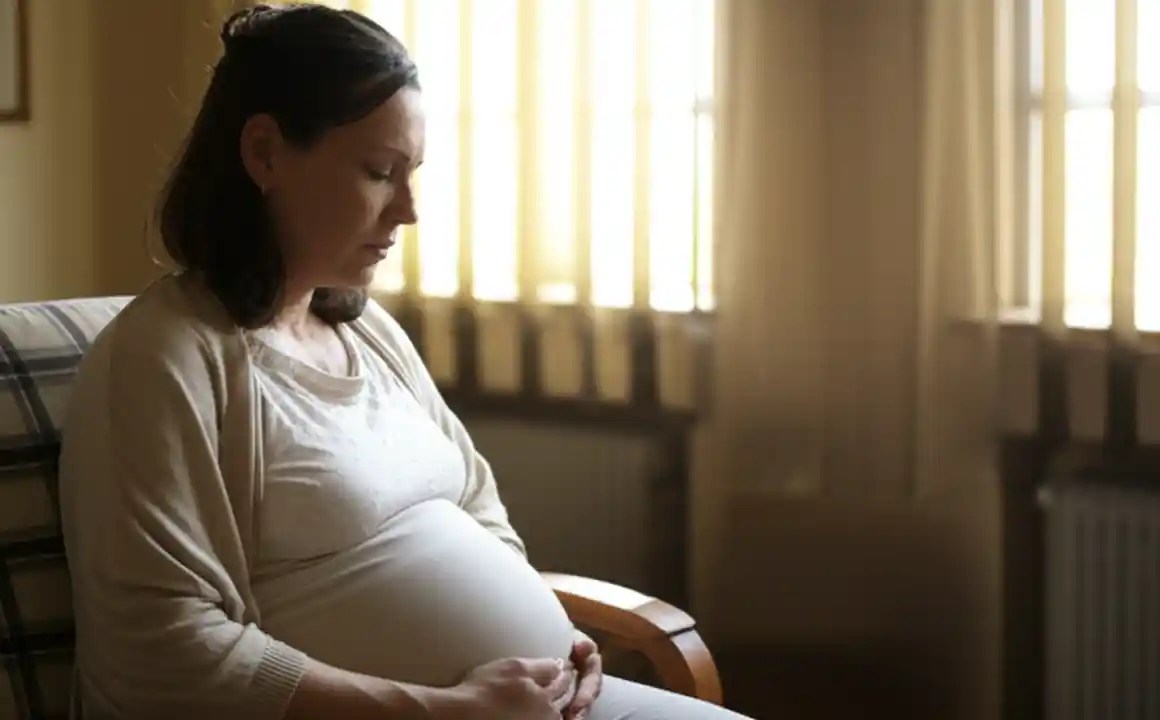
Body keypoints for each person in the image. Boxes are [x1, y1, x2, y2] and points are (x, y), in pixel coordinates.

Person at [57, 4, 751, 720]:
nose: (408, 211)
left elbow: (478, 508)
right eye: (380, 172)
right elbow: (157, 650)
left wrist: (554, 640)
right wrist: (440, 708)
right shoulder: (165, 360)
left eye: (412, 172)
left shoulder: (367, 332)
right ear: (264, 153)